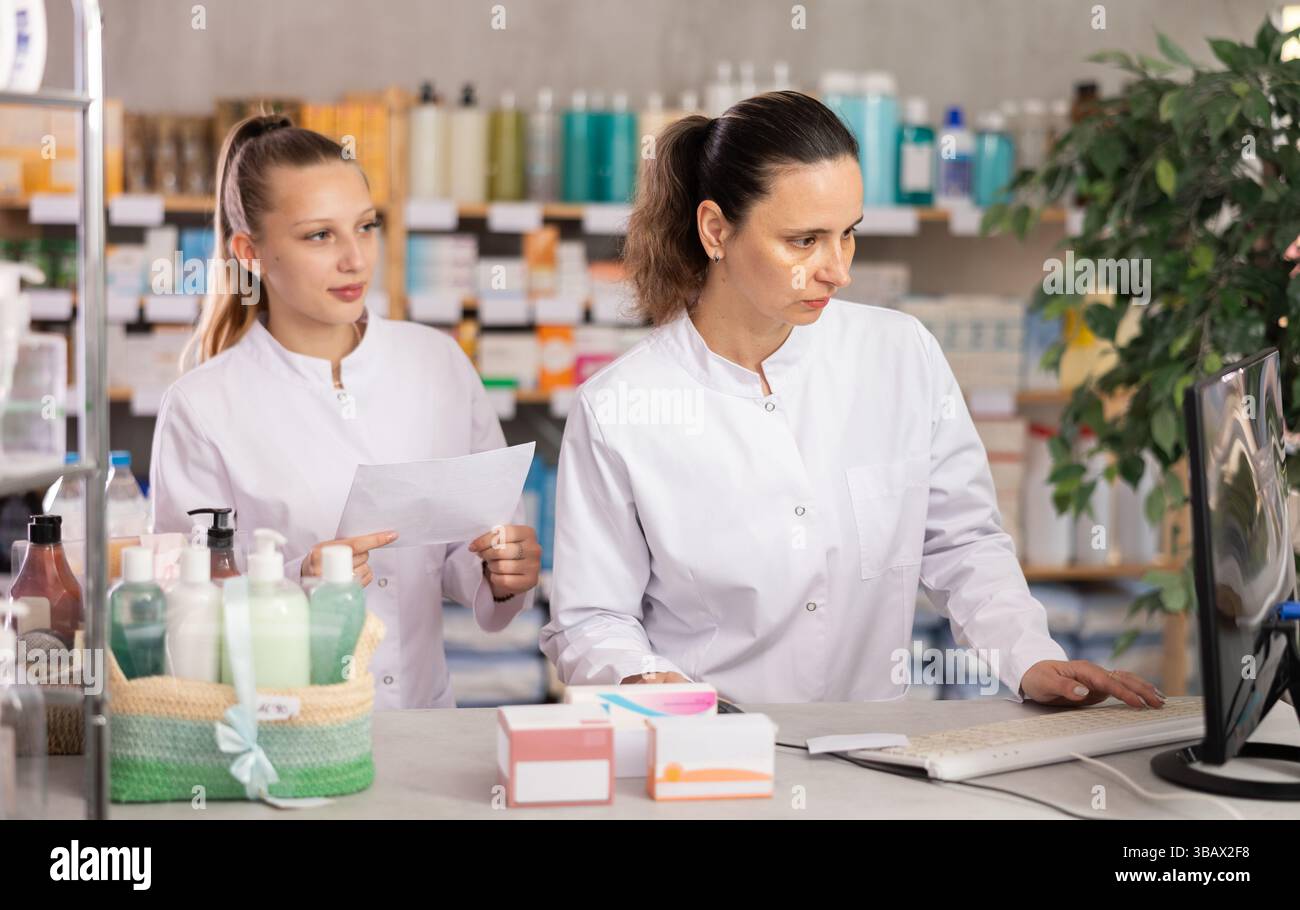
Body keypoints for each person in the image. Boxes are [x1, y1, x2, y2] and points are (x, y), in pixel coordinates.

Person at [540, 91, 1164, 709]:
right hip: (709, 755)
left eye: (848, 234)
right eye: (804, 241)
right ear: (715, 231)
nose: (838, 270)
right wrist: (641, 680)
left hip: (873, 751)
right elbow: (591, 617)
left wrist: (1029, 658)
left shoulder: (899, 354)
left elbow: (962, 542)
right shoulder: (621, 408)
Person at [150, 114, 540, 709]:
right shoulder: (203, 407)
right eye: (319, 236)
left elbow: (466, 558)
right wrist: (300, 585)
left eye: (365, 226)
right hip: (283, 736)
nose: (355, 259)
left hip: (423, 727)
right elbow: (185, 617)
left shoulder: (437, 364)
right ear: (249, 252)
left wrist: (501, 570)